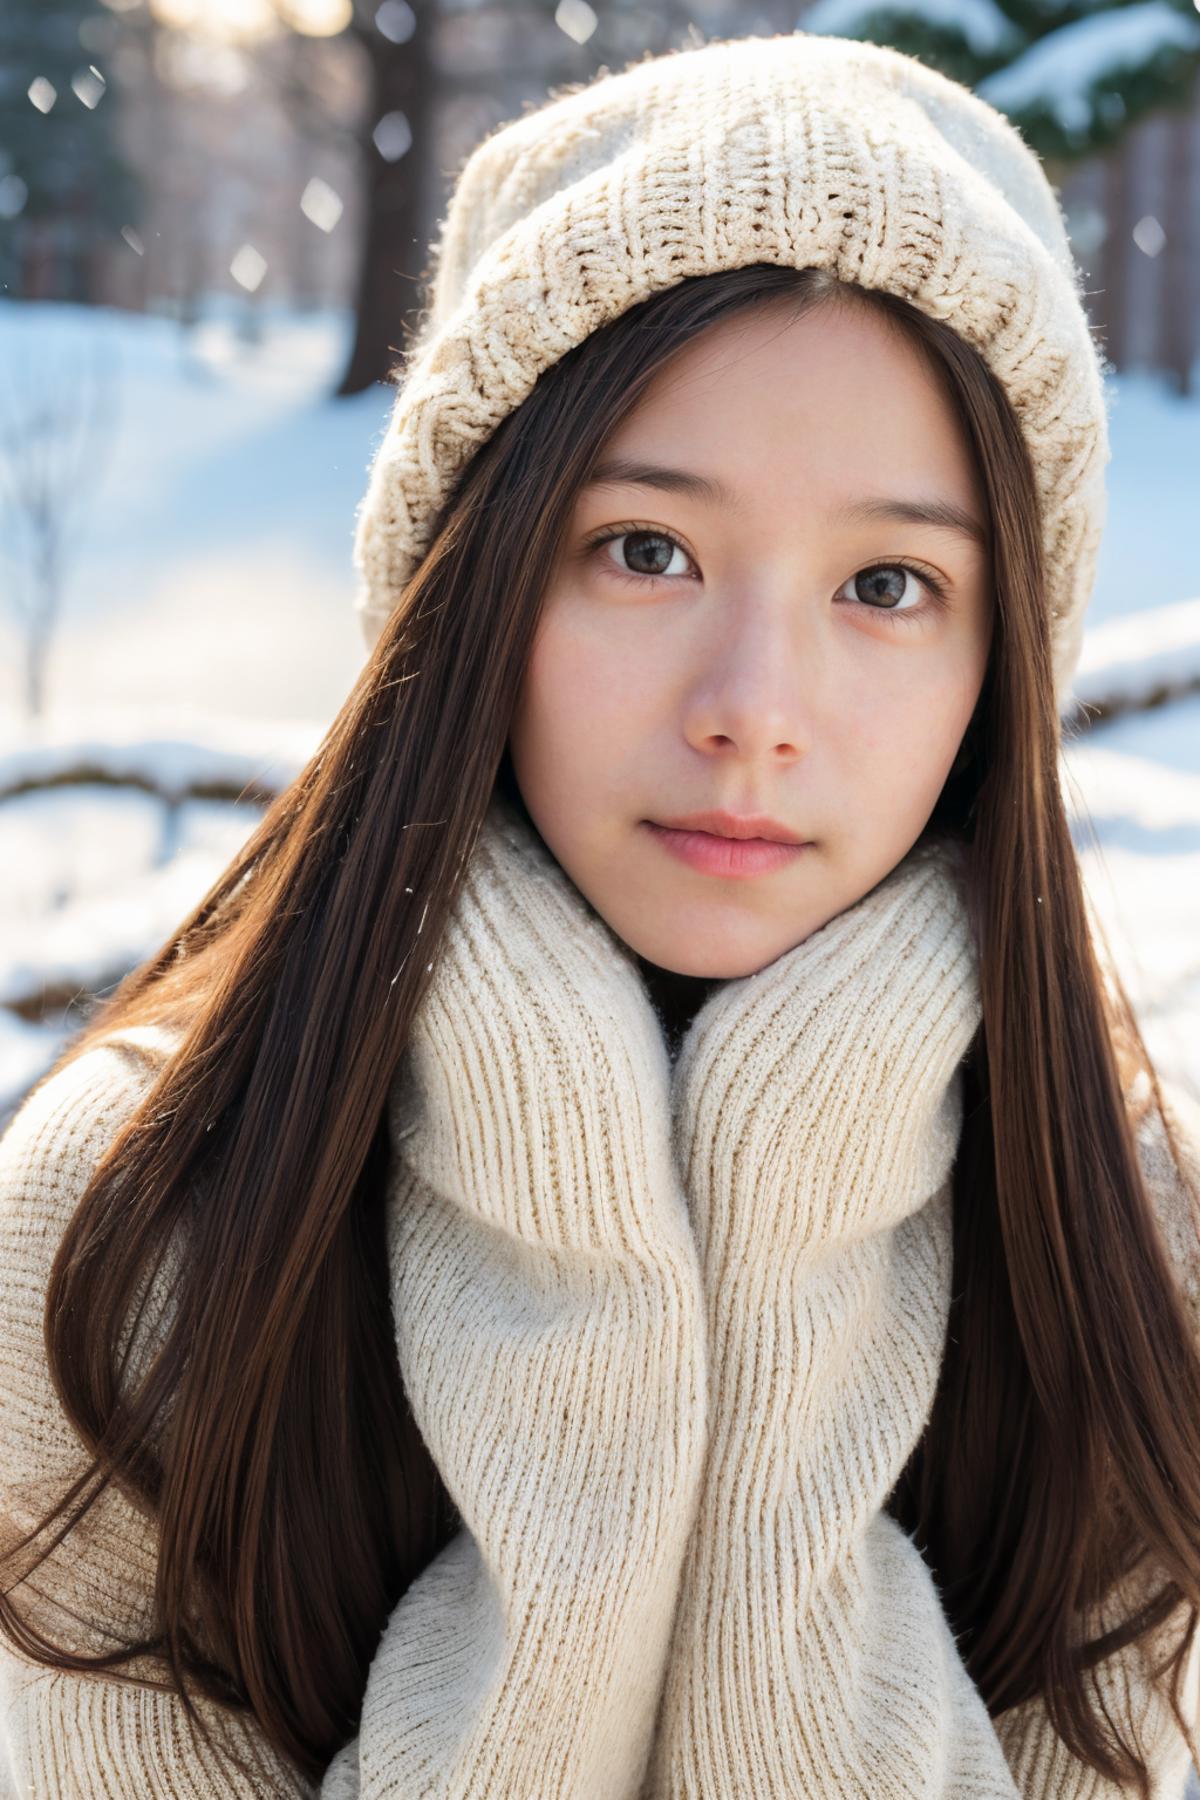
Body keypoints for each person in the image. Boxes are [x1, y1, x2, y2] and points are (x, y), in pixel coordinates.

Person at [3, 27, 1200, 1800]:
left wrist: (789, 1225)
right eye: (645, 549)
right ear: (471, 582)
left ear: (996, 668)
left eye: (890, 584)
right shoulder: (140, 1229)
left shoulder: (1120, 1260)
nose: (753, 705)